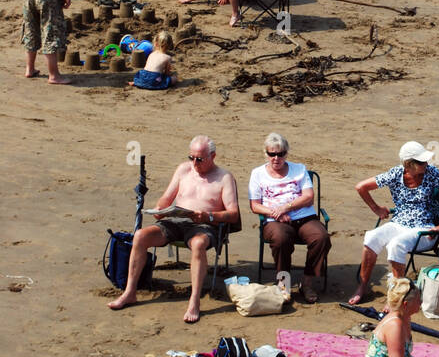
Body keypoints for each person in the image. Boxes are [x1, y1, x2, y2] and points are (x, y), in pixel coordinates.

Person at [109, 136, 240, 323]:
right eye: (191, 157)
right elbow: (166, 198)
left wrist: (209, 216)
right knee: (140, 236)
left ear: (213, 156)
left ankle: (194, 299)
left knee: (198, 243)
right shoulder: (183, 170)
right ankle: (130, 291)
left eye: (200, 159)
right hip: (177, 220)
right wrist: (160, 210)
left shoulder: (224, 177)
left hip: (205, 225)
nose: (195, 163)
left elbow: (233, 213)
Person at [350, 141, 439, 305]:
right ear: (408, 164)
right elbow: (361, 187)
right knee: (371, 238)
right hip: (398, 223)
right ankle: (363, 286)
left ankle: (397, 294)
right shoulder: (395, 173)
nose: (426, 164)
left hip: (423, 228)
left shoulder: (432, 172)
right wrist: (377, 208)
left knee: (396, 244)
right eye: (421, 162)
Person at [248, 134, 331, 303]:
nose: (276, 158)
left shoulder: (299, 169)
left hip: (304, 217)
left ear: (286, 154)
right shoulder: (257, 173)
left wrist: (285, 208)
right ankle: (283, 283)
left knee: (321, 237)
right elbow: (255, 206)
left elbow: (309, 196)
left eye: (281, 154)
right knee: (280, 239)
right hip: (275, 220)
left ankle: (307, 282)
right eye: (272, 154)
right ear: (266, 154)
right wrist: (275, 213)